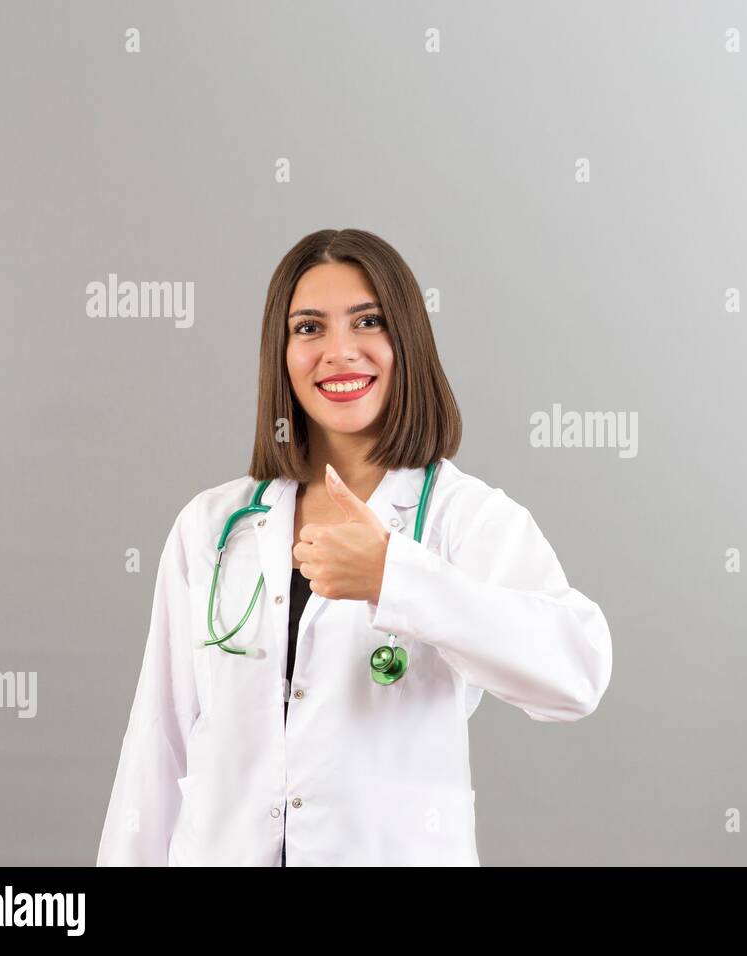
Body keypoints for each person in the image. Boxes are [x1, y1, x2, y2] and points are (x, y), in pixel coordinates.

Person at [96, 228, 613, 866]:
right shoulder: (213, 525)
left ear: (407, 342)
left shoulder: (461, 517)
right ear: (280, 353)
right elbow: (158, 744)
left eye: (368, 321)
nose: (339, 352)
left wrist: (395, 577)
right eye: (308, 328)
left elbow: (576, 674)